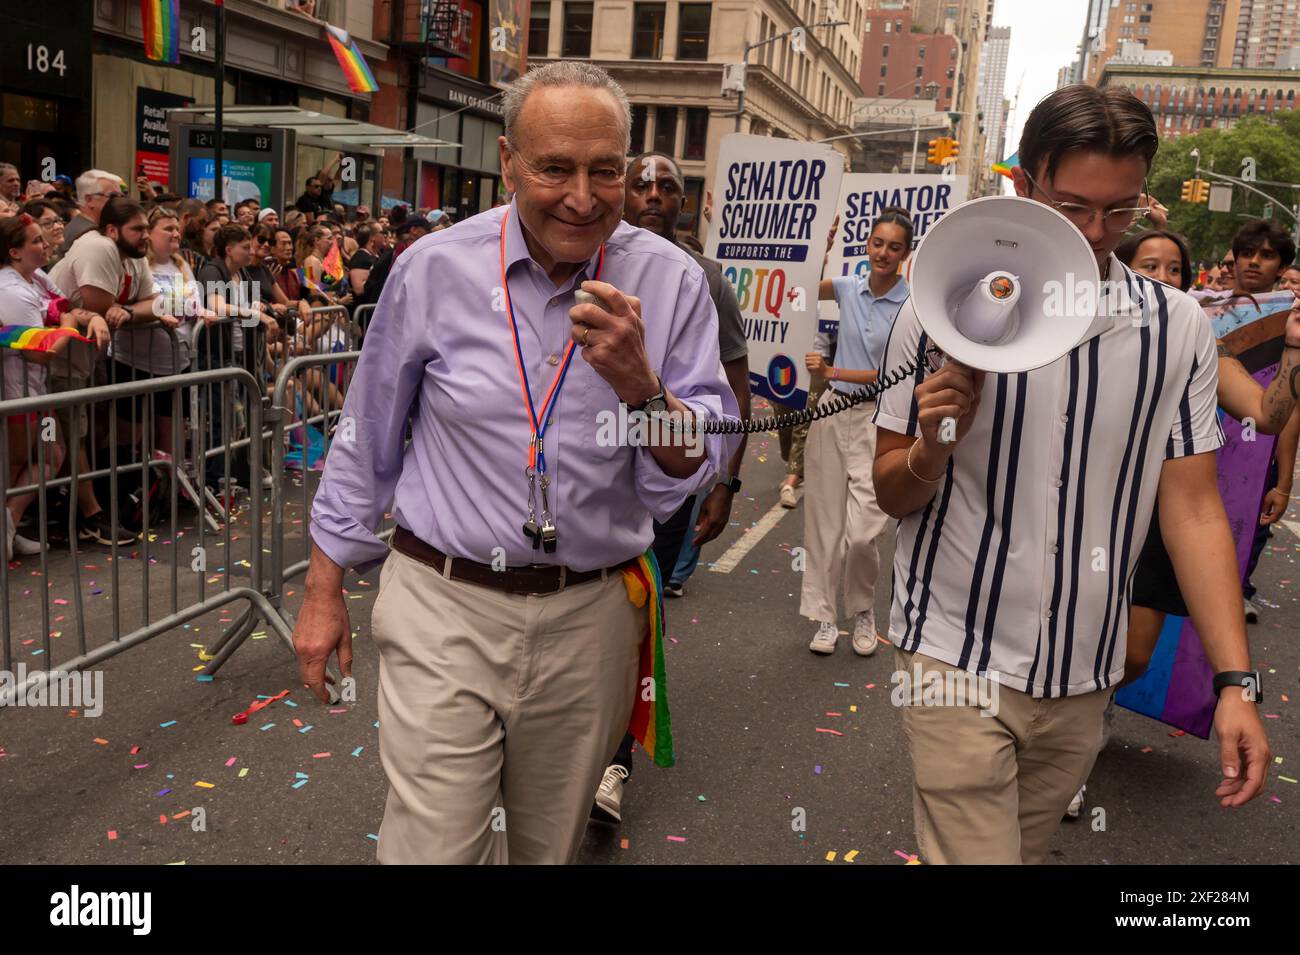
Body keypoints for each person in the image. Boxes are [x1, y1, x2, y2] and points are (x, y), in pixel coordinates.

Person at [294, 61, 738, 865]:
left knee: (545, 850)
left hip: (591, 615)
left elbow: (687, 464)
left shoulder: (672, 285)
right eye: (554, 168)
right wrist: (324, 589)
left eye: (605, 170)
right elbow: (367, 432)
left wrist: (642, 384)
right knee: (435, 851)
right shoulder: (433, 268)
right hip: (444, 603)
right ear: (507, 163)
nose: (582, 195)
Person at [872, 84, 1271, 865]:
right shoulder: (939, 308)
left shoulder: (1178, 328)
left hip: (1086, 674)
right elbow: (894, 489)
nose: (1095, 233)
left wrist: (1236, 681)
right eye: (1073, 206)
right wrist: (933, 442)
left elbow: (1192, 510)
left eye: (1119, 211)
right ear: (1023, 186)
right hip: (953, 657)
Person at [589, 151, 752, 825]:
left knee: (638, 613)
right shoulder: (585, 257)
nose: (654, 194)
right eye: (642, 184)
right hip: (587, 497)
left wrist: (725, 482)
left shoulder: (703, 280)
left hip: (669, 482)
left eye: (668, 187)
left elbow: (734, 385)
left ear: (688, 202)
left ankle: (615, 761)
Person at [800, 208, 913, 656]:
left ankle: (863, 609)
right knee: (824, 521)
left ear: (906, 252)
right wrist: (819, 250)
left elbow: (894, 372)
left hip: (879, 419)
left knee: (864, 531)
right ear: (867, 244)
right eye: (877, 243)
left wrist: (832, 369)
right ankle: (825, 616)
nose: (883, 253)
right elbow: (799, 289)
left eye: (894, 246)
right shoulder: (848, 287)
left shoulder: (911, 304)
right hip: (832, 413)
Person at [47, 197, 165, 547]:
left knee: (90, 428)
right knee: (73, 433)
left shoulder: (134, 257)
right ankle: (90, 517)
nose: (145, 235)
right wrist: (123, 310)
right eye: (138, 229)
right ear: (112, 230)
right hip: (58, 355)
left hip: (89, 356)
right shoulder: (98, 247)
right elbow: (97, 305)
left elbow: (155, 303)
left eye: (146, 228)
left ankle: (81, 505)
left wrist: (126, 311)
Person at [0, 214, 89, 560]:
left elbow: (61, 304)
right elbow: (42, 353)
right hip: (16, 392)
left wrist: (67, 316)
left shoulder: (34, 277)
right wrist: (67, 324)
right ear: (14, 252)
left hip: (35, 391)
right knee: (17, 462)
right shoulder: (11, 289)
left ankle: (10, 521)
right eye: (36, 241)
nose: (46, 244)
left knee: (51, 455)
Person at [1223, 220, 1299, 624]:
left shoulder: (1290, 324)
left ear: (1281, 266)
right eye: (1248, 253)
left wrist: (1283, 483)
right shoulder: (1199, 312)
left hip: (1257, 453)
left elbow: (1288, 411)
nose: (1254, 262)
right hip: (1197, 447)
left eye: (1267, 255)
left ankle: (1238, 589)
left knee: (1248, 526)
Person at [59, 170, 124, 255]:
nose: (119, 201)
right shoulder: (84, 234)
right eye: (113, 196)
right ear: (89, 200)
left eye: (121, 196)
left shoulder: (80, 226)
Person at [21, 199, 68, 269]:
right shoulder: (34, 268)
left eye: (58, 220)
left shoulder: (59, 255)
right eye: (47, 223)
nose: (58, 226)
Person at [346, 224, 387, 294]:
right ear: (372, 237)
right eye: (382, 233)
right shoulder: (360, 258)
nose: (385, 235)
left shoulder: (379, 255)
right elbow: (358, 289)